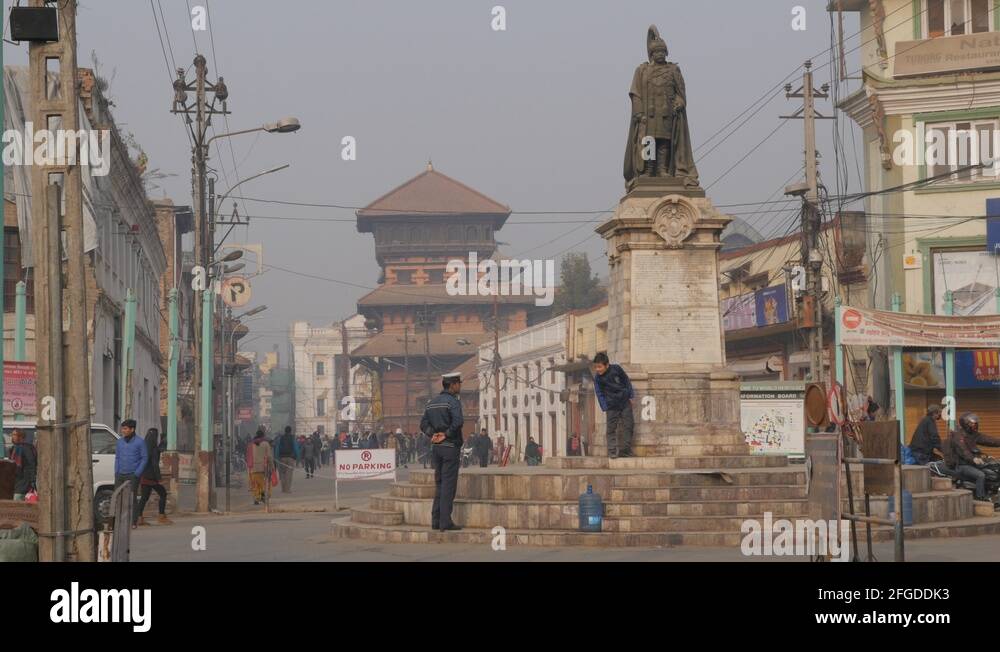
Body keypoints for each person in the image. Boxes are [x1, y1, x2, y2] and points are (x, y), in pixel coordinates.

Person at [420, 372, 464, 531]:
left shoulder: (431, 403)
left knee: (439, 485)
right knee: (448, 486)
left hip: (436, 449)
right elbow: (458, 421)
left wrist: (433, 434)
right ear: (452, 385)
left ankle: (436, 520)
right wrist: (446, 434)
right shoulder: (453, 402)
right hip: (450, 447)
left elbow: (423, 424)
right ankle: (445, 522)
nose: (460, 386)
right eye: (458, 383)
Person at [946, 413, 1000, 502]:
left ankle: (991, 492)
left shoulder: (973, 434)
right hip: (962, 465)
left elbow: (988, 440)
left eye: (975, 423)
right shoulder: (958, 435)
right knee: (980, 475)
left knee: (992, 470)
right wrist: (973, 459)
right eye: (972, 423)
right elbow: (963, 450)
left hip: (971, 463)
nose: (975, 425)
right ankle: (981, 498)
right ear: (965, 424)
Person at [592, 352, 635, 458]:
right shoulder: (598, 378)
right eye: (596, 367)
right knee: (611, 429)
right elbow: (599, 392)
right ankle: (612, 451)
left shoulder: (616, 369)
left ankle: (625, 450)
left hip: (624, 402)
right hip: (611, 405)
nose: (597, 369)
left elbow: (626, 380)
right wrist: (605, 406)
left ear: (607, 365)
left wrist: (631, 395)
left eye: (599, 367)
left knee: (628, 426)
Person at [134, 428, 172, 527]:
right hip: (151, 477)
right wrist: (159, 478)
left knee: (144, 497)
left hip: (143, 475)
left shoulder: (144, 446)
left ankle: (139, 518)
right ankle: (161, 516)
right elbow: (155, 464)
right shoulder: (154, 449)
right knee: (163, 493)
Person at [246, 427, 273, 505]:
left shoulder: (251, 444)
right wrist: (272, 466)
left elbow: (248, 456)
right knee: (262, 483)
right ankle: (262, 496)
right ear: (263, 436)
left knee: (255, 483)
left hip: (252, 467)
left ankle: (256, 498)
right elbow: (269, 456)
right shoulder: (266, 444)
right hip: (263, 467)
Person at [7, 429, 36, 501]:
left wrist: (32, 480)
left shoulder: (26, 448)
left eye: (14, 435)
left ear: (20, 436)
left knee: (17, 500)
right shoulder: (13, 448)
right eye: (12, 434)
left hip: (24, 480)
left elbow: (31, 464)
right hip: (15, 480)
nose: (12, 437)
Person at [273, 426, 299, 493]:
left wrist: (277, 457)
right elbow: (296, 448)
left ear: (285, 431)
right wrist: (297, 457)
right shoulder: (293, 438)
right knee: (289, 474)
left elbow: (277, 448)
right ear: (291, 431)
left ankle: (283, 489)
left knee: (283, 474)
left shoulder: (280, 438)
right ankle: (288, 489)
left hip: (282, 458)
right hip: (291, 458)